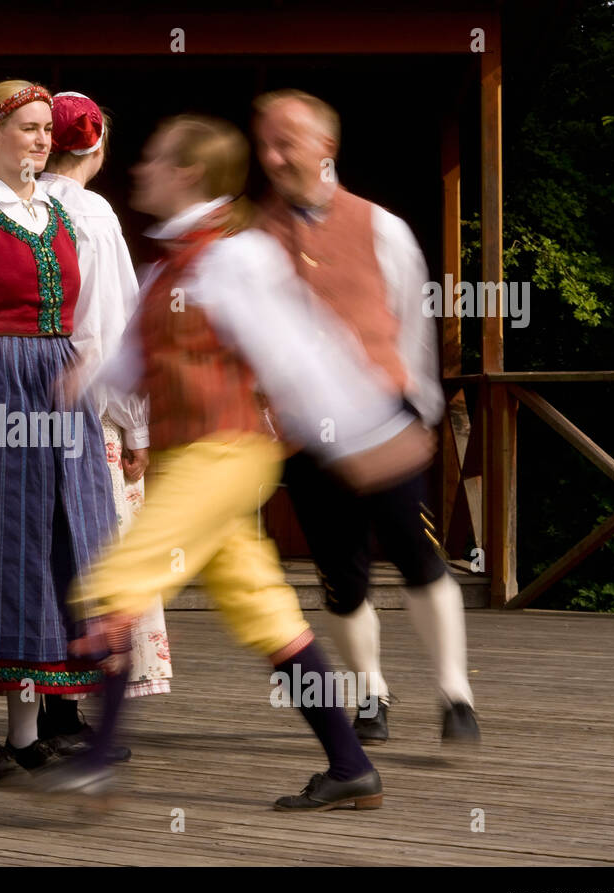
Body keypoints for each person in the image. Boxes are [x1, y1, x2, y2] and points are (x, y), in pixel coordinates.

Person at [52, 114, 436, 807]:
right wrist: (89, 380)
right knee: (266, 614)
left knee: (120, 577)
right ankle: (350, 766)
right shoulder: (167, 264)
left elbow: (300, 353)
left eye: (154, 158)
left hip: (223, 455)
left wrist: (366, 429)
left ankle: (99, 757)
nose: (138, 169)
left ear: (187, 174)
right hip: (185, 460)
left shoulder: (235, 258)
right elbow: (137, 360)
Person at [251, 89, 479, 745]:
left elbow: (413, 323)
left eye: (284, 142)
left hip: (384, 421)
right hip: (305, 433)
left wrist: (420, 409)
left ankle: (455, 696)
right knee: (340, 576)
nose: (270, 156)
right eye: (264, 143)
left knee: (419, 556)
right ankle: (371, 695)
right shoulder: (255, 238)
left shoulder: (381, 227)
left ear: (324, 146)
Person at [0, 80, 114, 783]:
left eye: (47, 129)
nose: (42, 139)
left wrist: (93, 393)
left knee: (51, 547)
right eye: (28, 128)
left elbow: (95, 318)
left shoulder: (65, 216)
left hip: (59, 395)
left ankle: (28, 727)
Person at [38, 92, 168, 758]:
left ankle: (35, 703)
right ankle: (76, 707)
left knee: (39, 546)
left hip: (22, 399)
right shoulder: (91, 212)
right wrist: (136, 427)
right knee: (96, 551)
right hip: (89, 407)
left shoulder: (15, 202)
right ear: (97, 147)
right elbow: (115, 329)